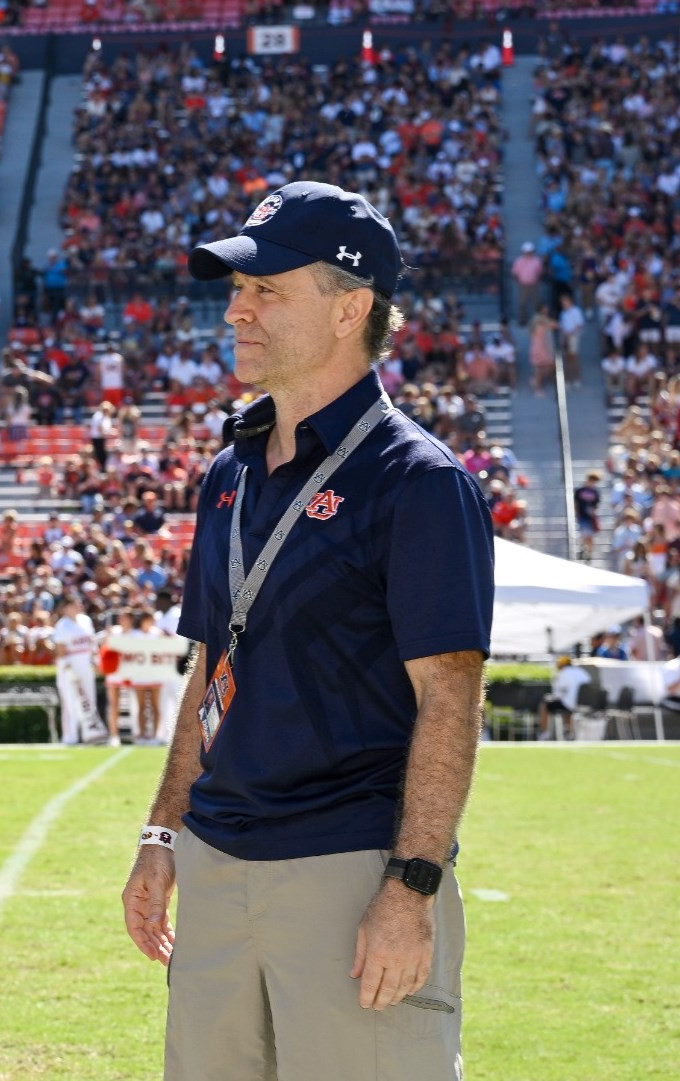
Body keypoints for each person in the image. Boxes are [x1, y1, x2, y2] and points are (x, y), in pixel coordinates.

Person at [121, 181, 494, 1081]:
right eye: (237, 288)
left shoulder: (418, 479)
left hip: (346, 870)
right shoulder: (229, 470)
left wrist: (411, 887)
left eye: (266, 289)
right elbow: (212, 665)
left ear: (350, 309)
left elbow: (449, 698)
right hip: (217, 864)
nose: (236, 309)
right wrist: (163, 834)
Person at [48, 593, 99, 744]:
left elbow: (92, 643)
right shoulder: (62, 625)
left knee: (89, 700)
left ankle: (90, 735)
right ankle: (70, 737)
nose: (78, 607)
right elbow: (60, 650)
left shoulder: (85, 620)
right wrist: (68, 668)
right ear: (66, 608)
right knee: (70, 701)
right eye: (74, 605)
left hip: (86, 663)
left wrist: (94, 660)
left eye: (79, 604)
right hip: (69, 665)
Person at [538, 655, 590, 741]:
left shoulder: (563, 673)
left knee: (545, 705)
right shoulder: (582, 672)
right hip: (584, 704)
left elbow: (557, 694)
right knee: (566, 706)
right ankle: (568, 732)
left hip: (570, 704)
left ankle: (544, 733)